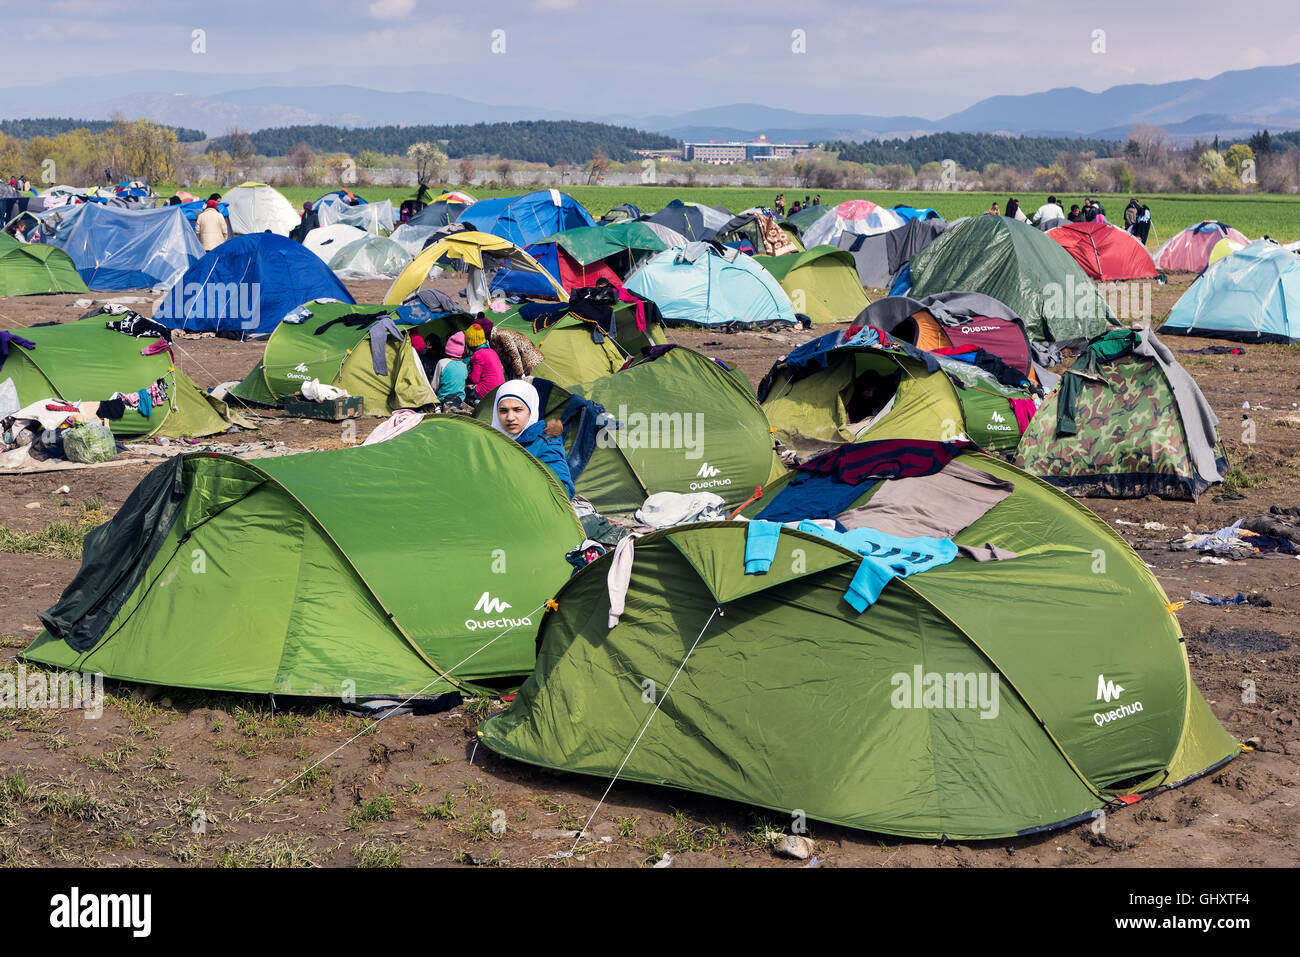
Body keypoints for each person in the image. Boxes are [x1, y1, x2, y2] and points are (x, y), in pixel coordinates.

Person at [491, 380, 574, 498]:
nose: (510, 417)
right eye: (503, 411)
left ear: (531, 410)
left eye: (517, 410)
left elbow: (563, 491)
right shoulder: (489, 437)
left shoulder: (545, 442)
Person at [465, 323, 505, 402]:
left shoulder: (478, 355)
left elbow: (475, 379)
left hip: (486, 391)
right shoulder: (492, 351)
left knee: (464, 392)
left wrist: (466, 372)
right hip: (500, 390)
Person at [431, 331, 469, 406]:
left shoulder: (442, 363)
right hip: (459, 402)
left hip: (443, 401)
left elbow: (434, 387)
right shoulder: (464, 366)